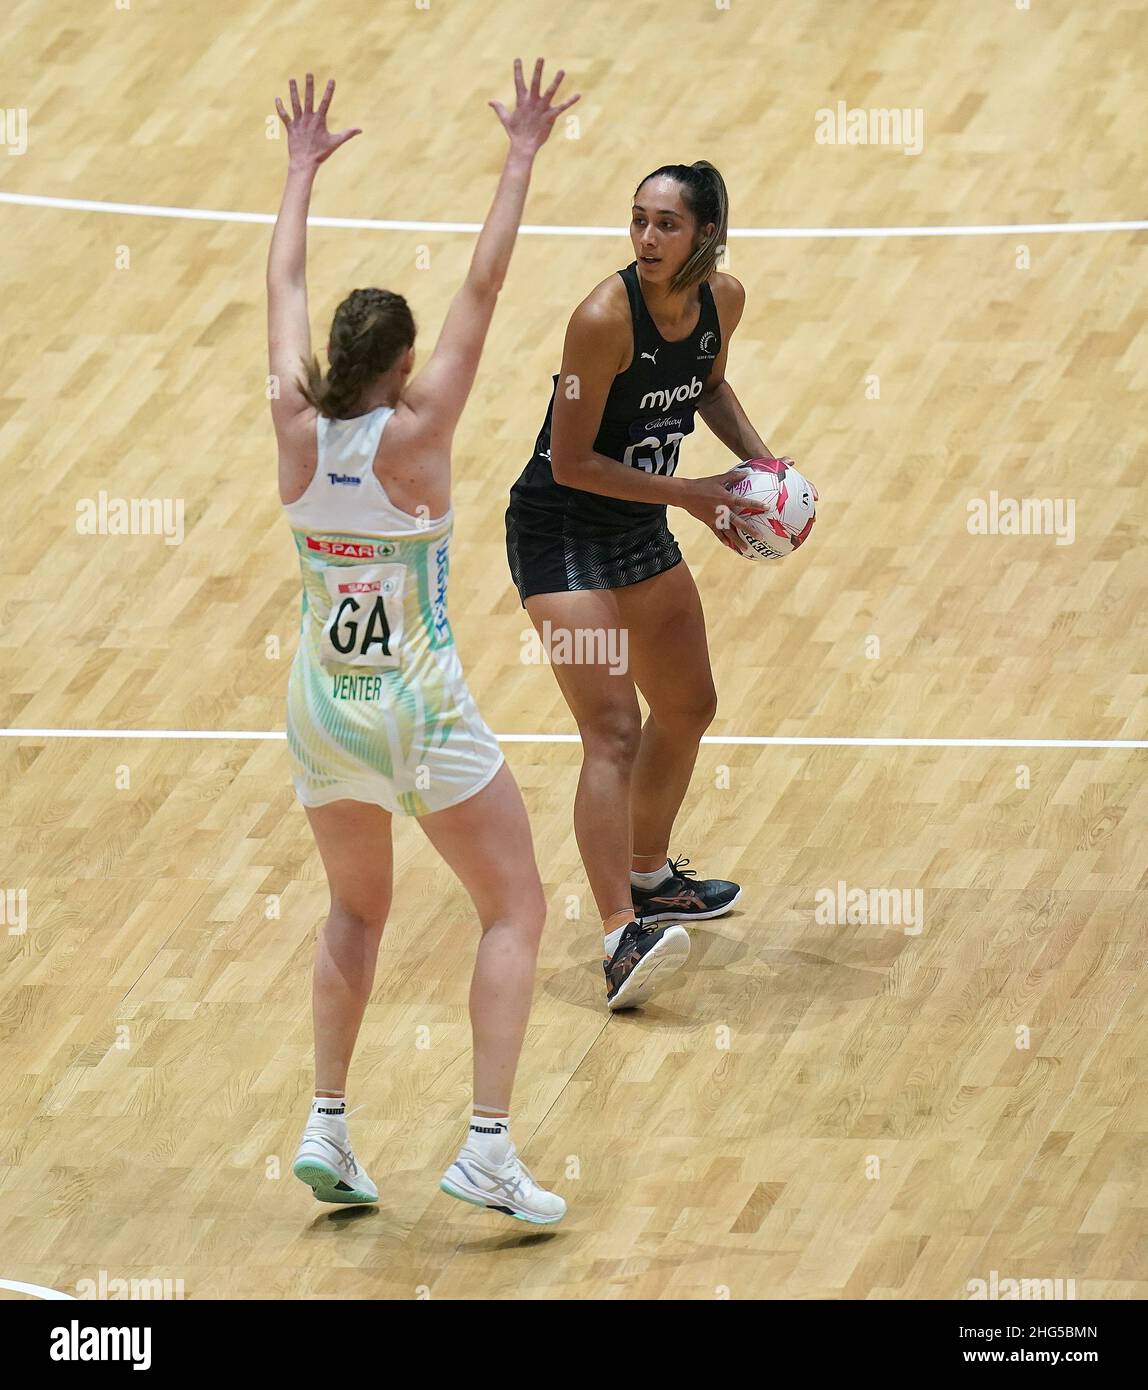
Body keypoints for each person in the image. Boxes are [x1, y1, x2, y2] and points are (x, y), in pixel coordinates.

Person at [266, 62, 578, 1222]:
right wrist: (519, 154)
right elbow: (483, 288)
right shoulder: (424, 427)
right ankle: (486, 1145)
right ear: (399, 366)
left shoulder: (293, 423)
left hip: (319, 705)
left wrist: (297, 172)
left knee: (355, 911)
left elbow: (283, 284)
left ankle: (328, 1126)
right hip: (418, 707)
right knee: (513, 908)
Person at [505, 161, 786, 1012]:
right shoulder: (601, 317)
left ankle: (652, 875)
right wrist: (695, 498)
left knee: (690, 705)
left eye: (666, 224)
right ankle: (620, 937)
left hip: (636, 524)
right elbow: (575, 459)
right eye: (638, 222)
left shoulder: (721, 302)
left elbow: (707, 387)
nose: (647, 238)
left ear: (705, 234)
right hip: (560, 535)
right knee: (614, 729)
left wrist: (762, 465)